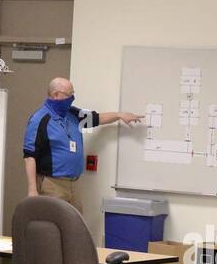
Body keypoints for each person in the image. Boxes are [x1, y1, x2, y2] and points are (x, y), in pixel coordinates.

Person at [23, 77, 142, 210]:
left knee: (75, 225)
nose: (72, 98)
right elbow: (29, 156)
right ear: (55, 95)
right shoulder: (39, 119)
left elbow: (97, 118)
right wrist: (32, 190)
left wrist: (120, 115)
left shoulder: (72, 113)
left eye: (73, 94)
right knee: (54, 225)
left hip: (73, 183)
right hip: (52, 184)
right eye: (69, 94)